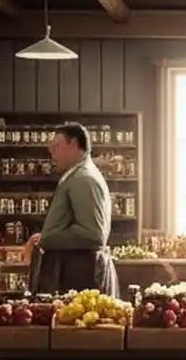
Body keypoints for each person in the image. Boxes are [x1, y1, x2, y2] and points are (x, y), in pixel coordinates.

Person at [27, 122, 119, 296]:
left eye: (57, 146)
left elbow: (93, 234)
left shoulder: (83, 178)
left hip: (79, 278)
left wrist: (47, 239)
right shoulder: (78, 175)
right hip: (75, 273)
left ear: (74, 144)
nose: (52, 152)